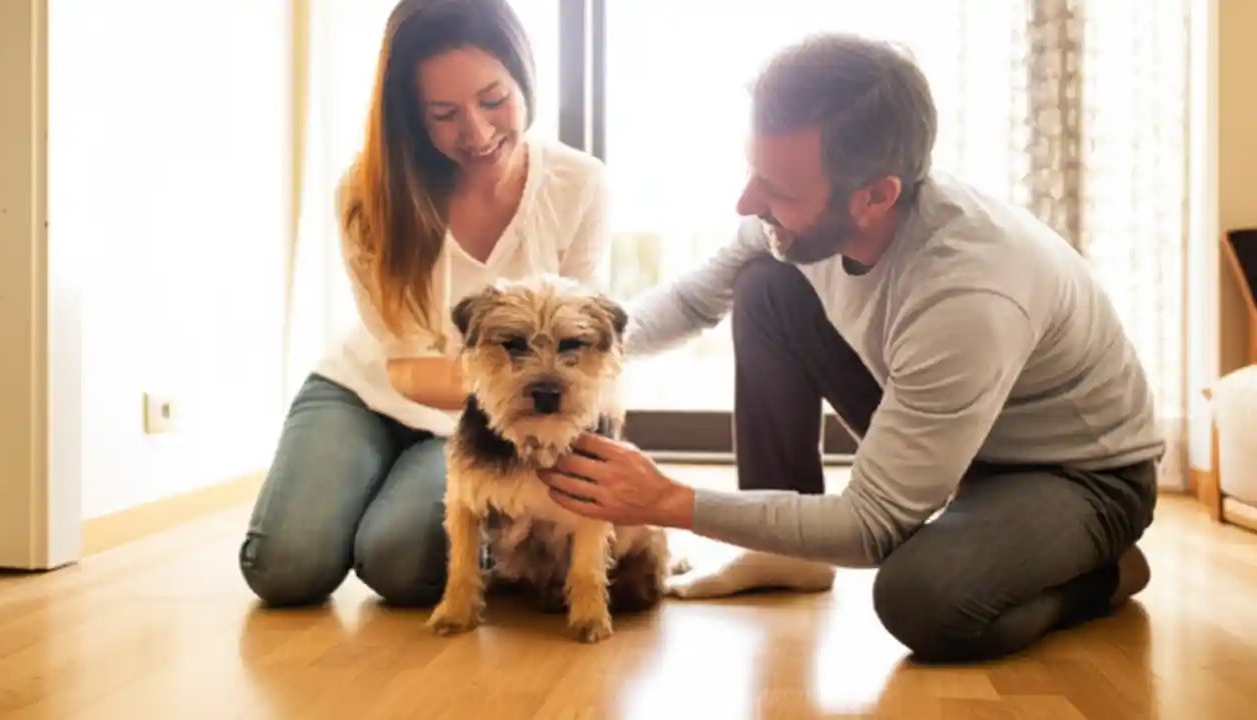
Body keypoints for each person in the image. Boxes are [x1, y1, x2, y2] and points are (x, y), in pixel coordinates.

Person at [538, 32, 1163, 663]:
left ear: (875, 196)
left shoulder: (968, 293)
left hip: (1073, 475)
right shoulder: (802, 217)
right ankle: (785, 555)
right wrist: (570, 355)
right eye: (754, 170)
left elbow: (871, 526)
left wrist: (667, 500)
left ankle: (1102, 574)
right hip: (952, 427)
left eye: (777, 188)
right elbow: (694, 301)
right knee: (767, 285)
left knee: (923, 599)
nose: (747, 201)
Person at [240, 0, 610, 608]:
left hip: (478, 422)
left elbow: (586, 343)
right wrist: (524, 390)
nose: (478, 133)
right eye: (444, 114)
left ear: (524, 77)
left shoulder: (579, 184)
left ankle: (404, 503)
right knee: (285, 568)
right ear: (411, 116)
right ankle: (370, 480)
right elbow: (408, 367)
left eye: (494, 99)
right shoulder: (367, 193)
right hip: (365, 393)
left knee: (402, 566)